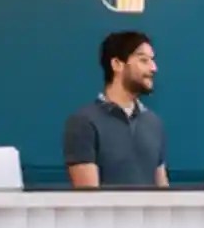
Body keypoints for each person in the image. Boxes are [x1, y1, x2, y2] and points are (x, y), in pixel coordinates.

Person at [63, 31, 168, 188]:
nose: (153, 68)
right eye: (143, 60)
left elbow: (162, 190)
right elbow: (88, 199)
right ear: (117, 64)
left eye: (152, 60)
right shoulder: (83, 123)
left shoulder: (154, 123)